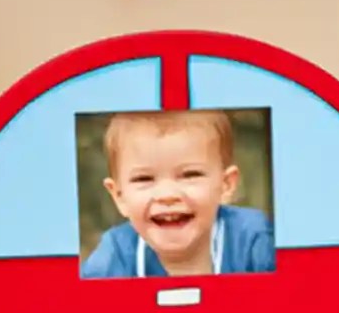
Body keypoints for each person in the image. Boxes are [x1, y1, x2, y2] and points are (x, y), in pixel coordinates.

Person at [81, 109, 275, 279]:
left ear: (226, 185)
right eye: (144, 179)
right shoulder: (115, 254)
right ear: (119, 196)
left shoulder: (254, 240)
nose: (167, 195)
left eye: (190, 175)